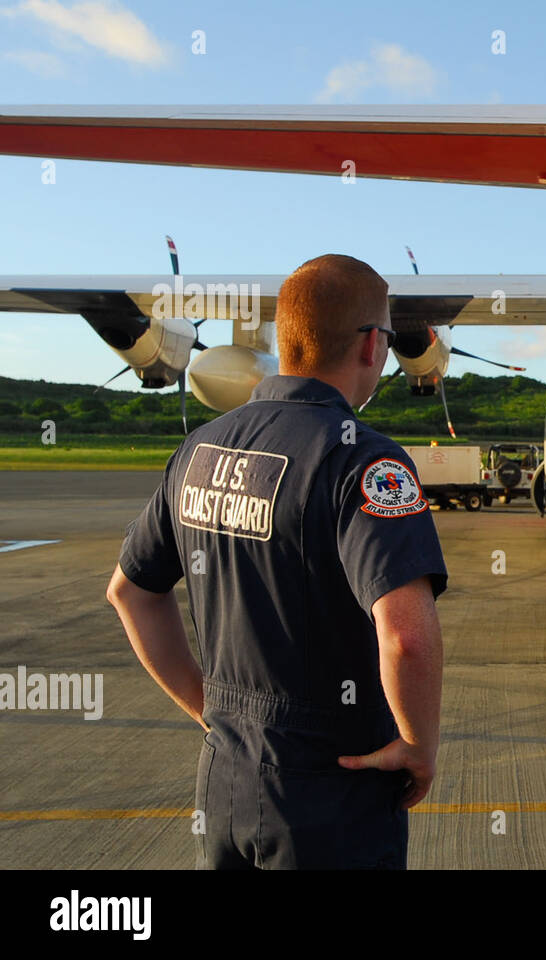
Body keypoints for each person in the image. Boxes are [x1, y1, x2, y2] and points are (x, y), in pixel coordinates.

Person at [106, 254, 447, 870]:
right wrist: (419, 746)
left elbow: (130, 593)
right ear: (372, 344)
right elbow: (407, 638)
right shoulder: (365, 462)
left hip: (225, 781)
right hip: (333, 790)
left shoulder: (198, 451)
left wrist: (210, 708)